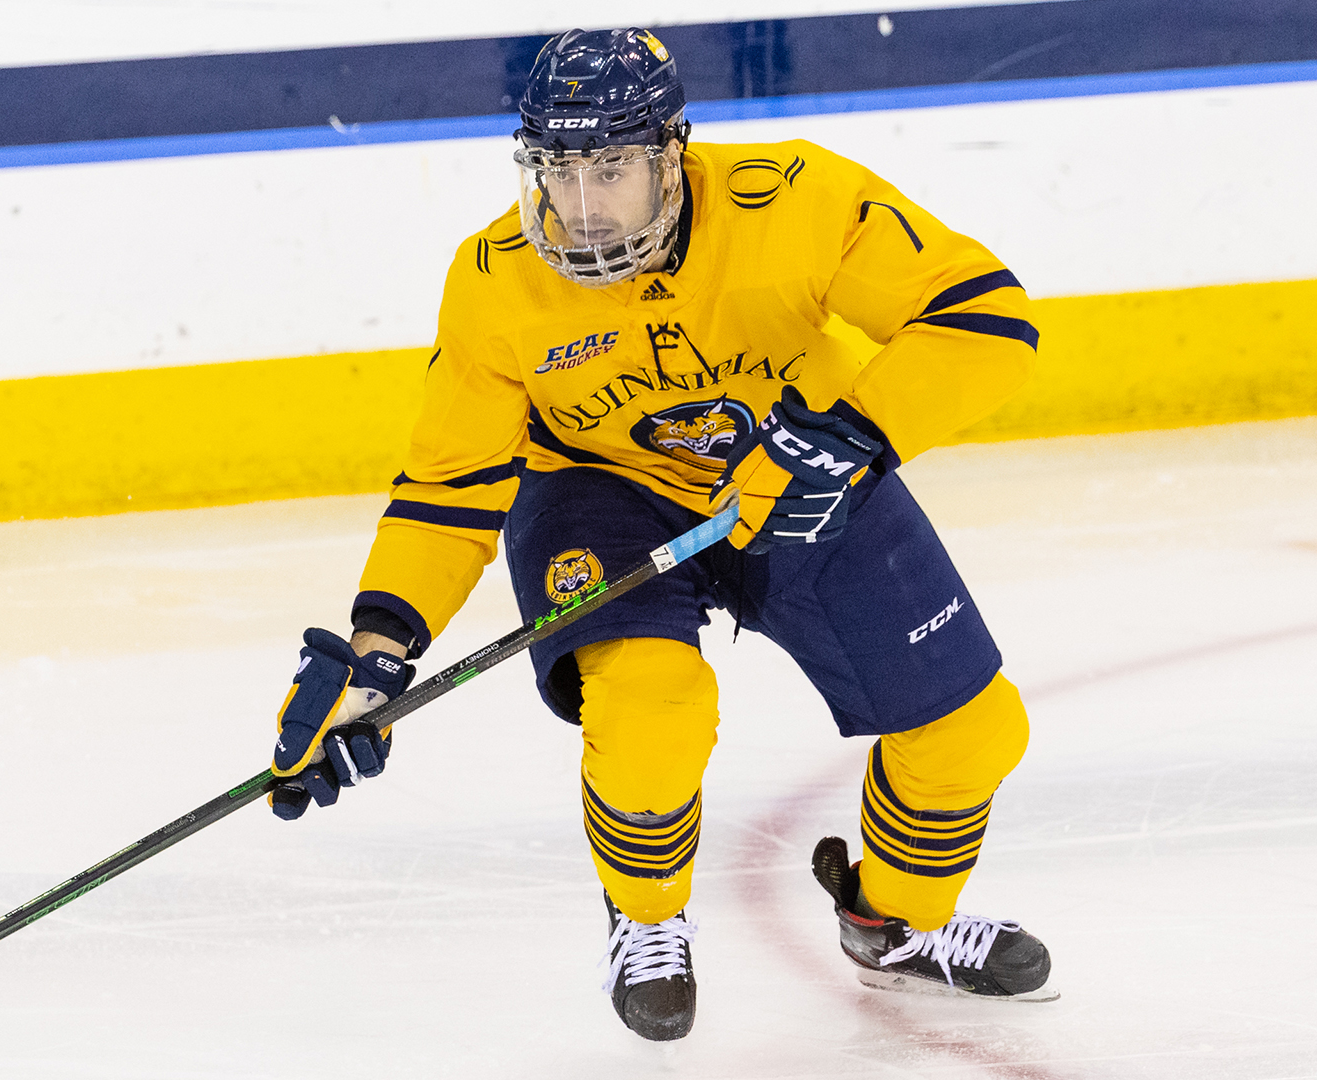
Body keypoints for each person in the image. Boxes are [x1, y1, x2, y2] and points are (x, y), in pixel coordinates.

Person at [266, 27, 1055, 1041]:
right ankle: (644, 922)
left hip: (794, 472)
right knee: (651, 712)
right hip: (597, 491)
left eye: (613, 167)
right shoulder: (495, 283)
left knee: (972, 730)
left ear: (672, 152)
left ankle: (894, 924)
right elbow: (451, 485)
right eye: (559, 169)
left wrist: (849, 438)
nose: (583, 204)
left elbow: (983, 315)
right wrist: (377, 653)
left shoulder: (797, 202)